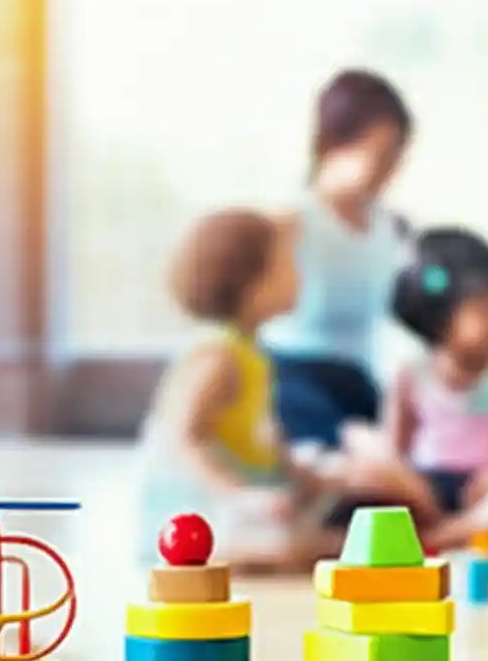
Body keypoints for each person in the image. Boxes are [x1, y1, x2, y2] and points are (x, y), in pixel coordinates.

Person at [139, 210, 342, 571]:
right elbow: (184, 440)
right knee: (304, 549)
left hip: (250, 496)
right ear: (250, 280)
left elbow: (266, 430)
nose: (300, 275)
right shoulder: (217, 355)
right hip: (202, 509)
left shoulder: (251, 349)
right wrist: (239, 496)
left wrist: (299, 472)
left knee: (330, 513)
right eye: (288, 263)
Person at [261, 70, 413, 446]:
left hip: (358, 382)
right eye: (380, 157)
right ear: (331, 144)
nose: (390, 172)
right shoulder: (290, 222)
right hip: (290, 378)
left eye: (397, 158)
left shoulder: (391, 226)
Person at [371, 228, 488, 550]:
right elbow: (395, 448)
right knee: (371, 481)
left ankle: (437, 539)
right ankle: (452, 534)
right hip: (425, 487)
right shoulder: (410, 374)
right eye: (485, 309)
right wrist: (412, 488)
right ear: (440, 321)